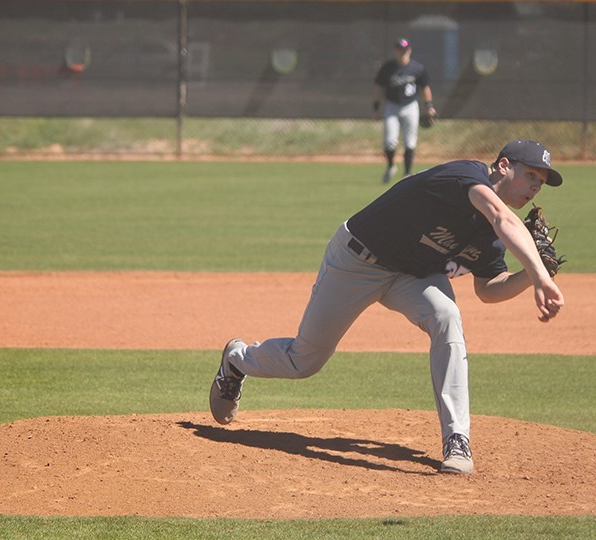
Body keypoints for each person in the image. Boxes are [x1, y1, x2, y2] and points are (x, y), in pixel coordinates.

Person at [209, 139, 565, 475]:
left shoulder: (491, 236)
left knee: (448, 318)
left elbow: (488, 289)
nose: (535, 187)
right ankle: (237, 359)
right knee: (304, 361)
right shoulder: (464, 177)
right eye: (530, 175)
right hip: (357, 261)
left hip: (411, 275)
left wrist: (533, 277)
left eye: (542, 182)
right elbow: (501, 216)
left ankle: (457, 439)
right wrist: (543, 278)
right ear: (503, 166)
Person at [372, 38, 437, 183]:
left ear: (409, 51)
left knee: (410, 141)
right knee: (389, 141)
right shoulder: (387, 68)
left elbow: (425, 88)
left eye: (405, 50)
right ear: (395, 51)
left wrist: (428, 106)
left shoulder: (417, 68)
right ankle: (390, 166)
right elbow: (378, 88)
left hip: (410, 106)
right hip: (392, 106)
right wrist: (376, 108)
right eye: (400, 49)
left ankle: (407, 173)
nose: (402, 52)